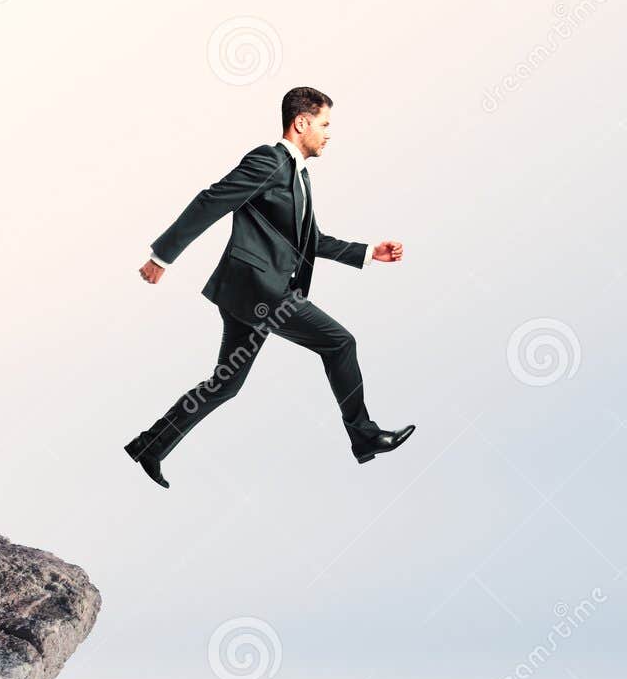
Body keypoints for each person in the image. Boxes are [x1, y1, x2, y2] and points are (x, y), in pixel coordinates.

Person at [123, 86, 414, 488]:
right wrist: (162, 257)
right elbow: (212, 200)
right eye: (325, 125)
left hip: (252, 293)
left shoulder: (301, 177)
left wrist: (367, 253)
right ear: (301, 122)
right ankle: (363, 434)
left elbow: (311, 239)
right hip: (260, 290)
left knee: (226, 384)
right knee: (339, 343)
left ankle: (150, 445)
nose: (329, 134)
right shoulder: (269, 161)